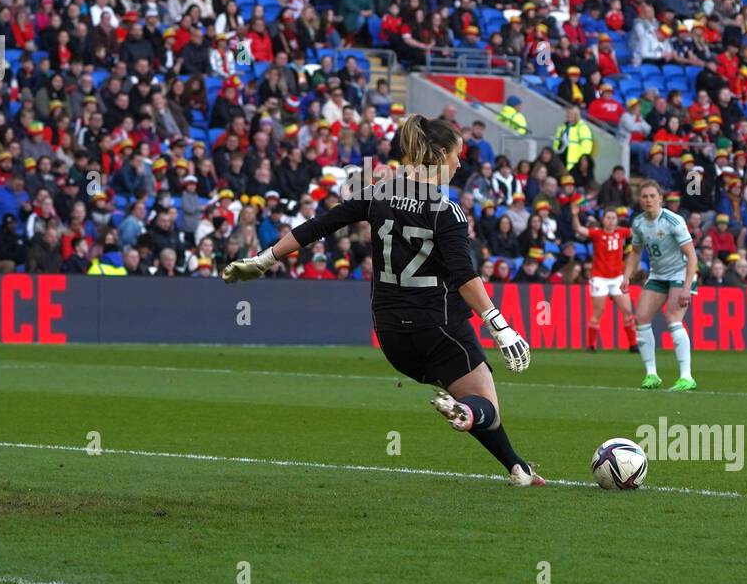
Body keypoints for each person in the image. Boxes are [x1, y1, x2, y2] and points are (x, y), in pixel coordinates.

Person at [221, 114, 544, 486]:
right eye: (456, 154)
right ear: (440, 153)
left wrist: (263, 260)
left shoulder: (379, 193)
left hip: (390, 336)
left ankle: (517, 467)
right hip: (436, 327)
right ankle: (470, 415)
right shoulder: (446, 212)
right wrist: (500, 326)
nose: (459, 163)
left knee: (469, 395)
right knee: (484, 404)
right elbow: (464, 275)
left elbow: (320, 226)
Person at [624, 180, 699, 390]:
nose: (648, 200)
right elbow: (636, 252)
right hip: (658, 275)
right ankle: (651, 375)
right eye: (644, 196)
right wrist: (626, 277)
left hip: (681, 273)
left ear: (660, 198)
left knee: (673, 319)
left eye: (652, 196)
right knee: (641, 319)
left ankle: (686, 376)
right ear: (639, 199)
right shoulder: (638, 223)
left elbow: (692, 255)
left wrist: (686, 287)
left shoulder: (673, 221)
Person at [573, 207, 636, 352]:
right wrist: (575, 215)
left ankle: (633, 344)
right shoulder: (597, 233)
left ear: (617, 220)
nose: (611, 220)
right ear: (603, 220)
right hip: (600, 278)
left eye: (613, 218)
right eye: (608, 217)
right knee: (598, 312)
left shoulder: (621, 232)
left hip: (617, 278)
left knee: (627, 310)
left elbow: (637, 231)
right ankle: (591, 345)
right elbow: (579, 229)